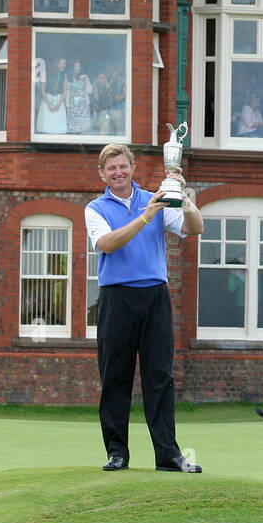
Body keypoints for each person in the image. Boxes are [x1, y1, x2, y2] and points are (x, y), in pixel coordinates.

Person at [84, 143, 204, 473]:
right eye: (111, 168)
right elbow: (107, 243)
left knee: (160, 376)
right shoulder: (95, 208)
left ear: (132, 168)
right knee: (115, 377)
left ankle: (168, 455)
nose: (118, 172)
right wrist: (145, 216)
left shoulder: (156, 197)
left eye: (123, 166)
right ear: (102, 173)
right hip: (116, 298)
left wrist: (183, 195)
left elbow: (195, 228)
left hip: (154, 296)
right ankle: (117, 453)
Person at [36, 58, 68, 135]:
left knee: (58, 128)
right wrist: (50, 104)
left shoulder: (64, 75)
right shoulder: (45, 74)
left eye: (65, 63)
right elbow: (42, 90)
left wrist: (59, 103)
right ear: (56, 63)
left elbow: (65, 91)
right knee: (47, 125)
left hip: (59, 101)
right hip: (47, 100)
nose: (64, 65)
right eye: (62, 63)